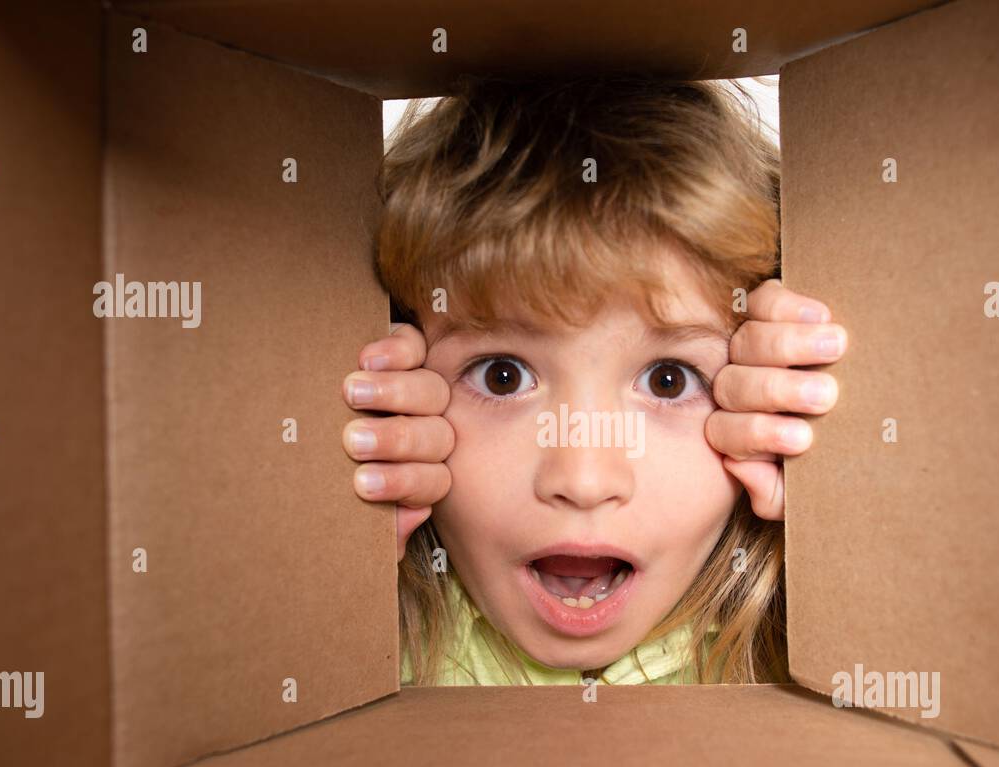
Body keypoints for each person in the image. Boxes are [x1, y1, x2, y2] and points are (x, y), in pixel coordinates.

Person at [341, 75, 847, 685]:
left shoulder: (795, 653)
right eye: (502, 377)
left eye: (668, 380)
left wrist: (839, 521)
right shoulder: (372, 650)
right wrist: (334, 550)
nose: (583, 480)